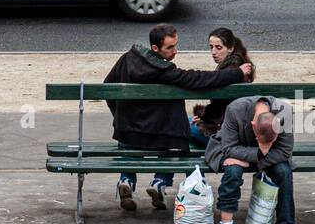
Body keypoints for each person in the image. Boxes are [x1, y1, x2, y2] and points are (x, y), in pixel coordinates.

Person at [105, 24, 252, 212]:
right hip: (159, 135)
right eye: (170, 48)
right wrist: (237, 73)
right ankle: (159, 182)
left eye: (176, 45)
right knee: (177, 137)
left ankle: (126, 179)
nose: (175, 51)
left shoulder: (127, 58)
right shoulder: (164, 71)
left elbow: (108, 86)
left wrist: (118, 117)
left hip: (126, 132)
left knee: (128, 142)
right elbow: (197, 79)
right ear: (155, 49)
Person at [204, 95, 298, 224]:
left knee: (284, 171)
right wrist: (259, 152)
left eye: (271, 141)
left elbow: (284, 150)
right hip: (232, 151)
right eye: (263, 142)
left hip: (268, 156)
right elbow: (228, 148)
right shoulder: (235, 109)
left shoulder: (285, 112)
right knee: (233, 171)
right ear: (253, 125)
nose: (267, 145)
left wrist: (256, 158)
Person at [190, 28, 255, 147]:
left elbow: (219, 107)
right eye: (211, 47)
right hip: (232, 126)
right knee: (189, 120)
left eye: (218, 47)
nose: (213, 52)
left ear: (230, 48)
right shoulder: (239, 65)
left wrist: (201, 118)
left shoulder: (231, 71)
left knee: (184, 127)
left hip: (226, 134)